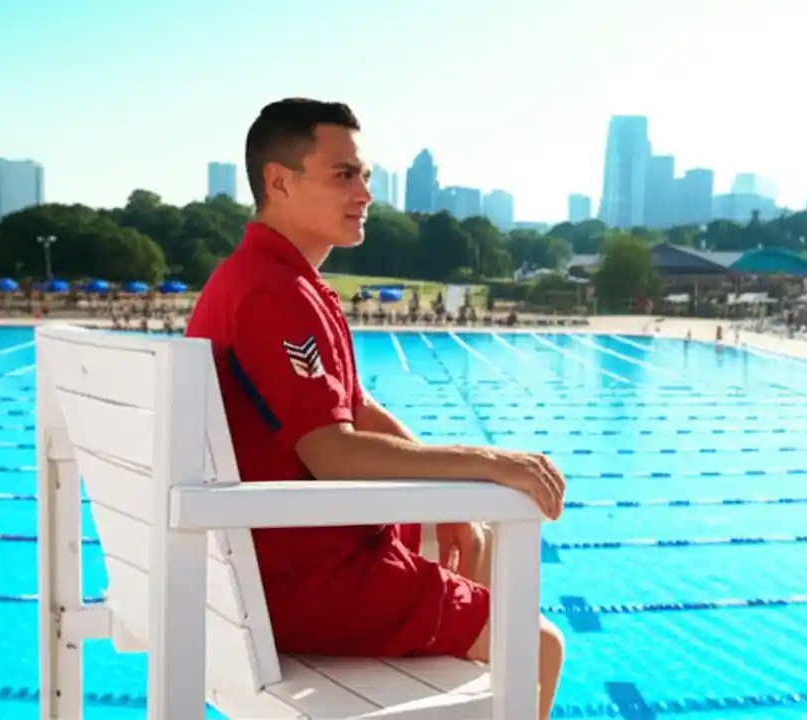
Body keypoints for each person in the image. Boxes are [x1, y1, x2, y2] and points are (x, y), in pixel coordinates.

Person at [185, 98, 566, 718]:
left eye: (363, 174)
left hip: (273, 560)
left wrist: (462, 484)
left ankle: (464, 659)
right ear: (279, 181)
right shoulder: (273, 294)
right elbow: (332, 451)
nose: (366, 191)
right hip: (298, 582)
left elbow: (354, 409)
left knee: (481, 542)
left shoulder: (271, 278)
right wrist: (489, 464)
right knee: (539, 644)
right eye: (343, 175)